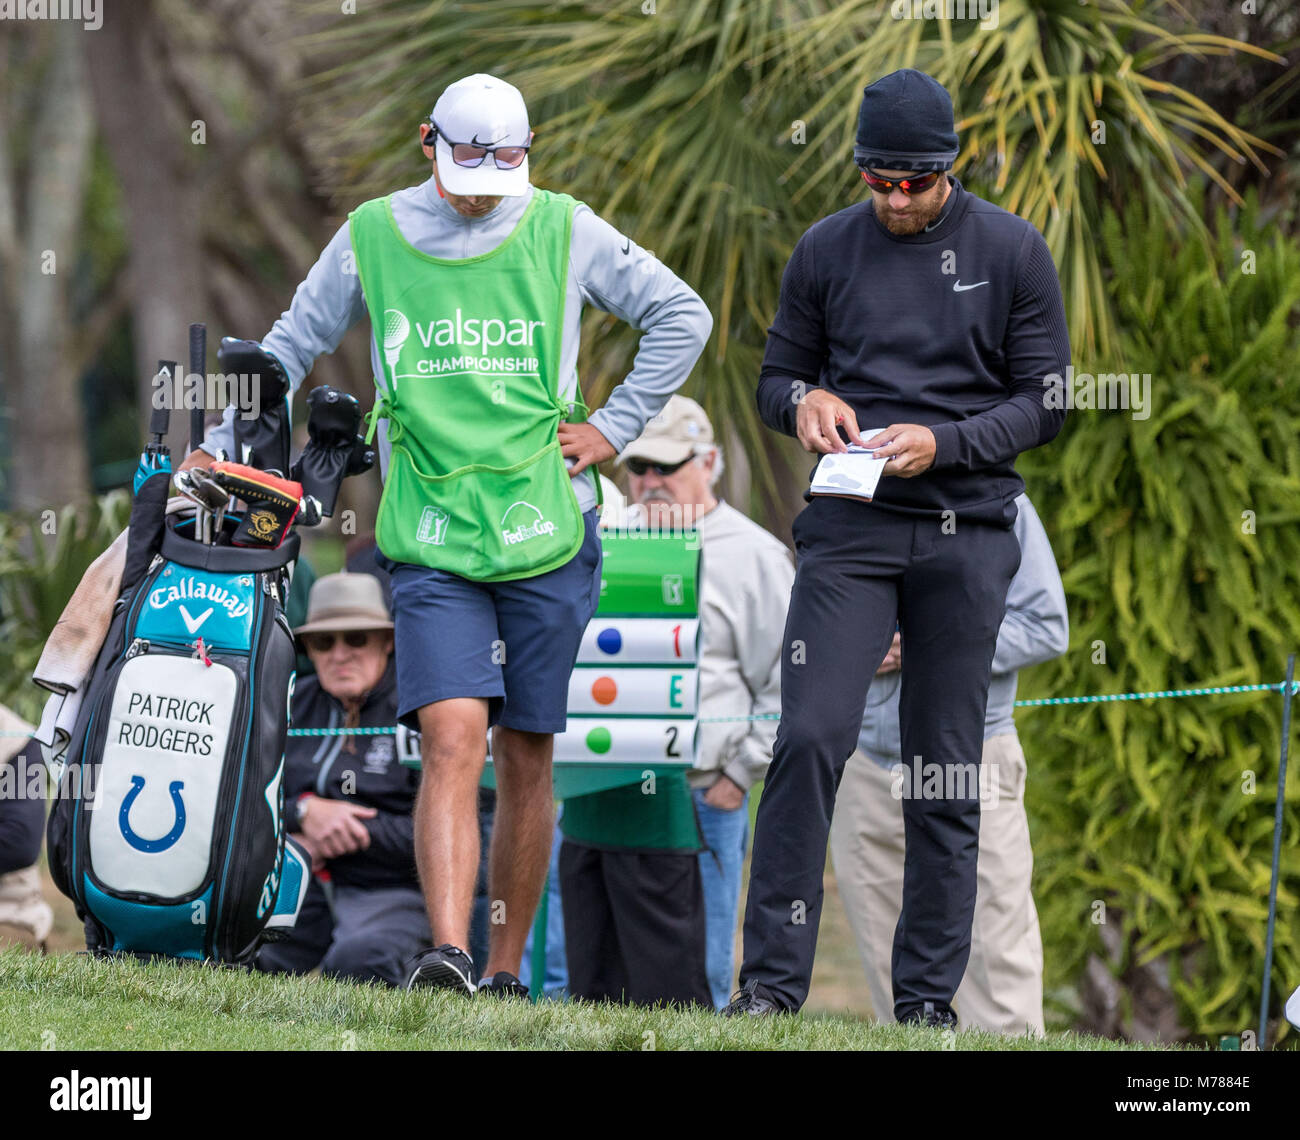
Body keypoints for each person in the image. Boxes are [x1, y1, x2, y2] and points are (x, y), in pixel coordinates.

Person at [182, 74, 712, 996]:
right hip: (427, 531)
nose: (481, 192)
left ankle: (504, 973)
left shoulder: (562, 225)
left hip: (547, 529)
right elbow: (288, 345)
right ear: (428, 142)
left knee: (526, 752)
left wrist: (615, 427)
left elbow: (682, 315)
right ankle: (450, 955)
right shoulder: (372, 236)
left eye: (502, 171)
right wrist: (222, 438)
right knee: (452, 734)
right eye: (468, 169)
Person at [727, 68, 1069, 1024]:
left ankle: (925, 1007)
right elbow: (777, 377)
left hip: (969, 533)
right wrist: (807, 402)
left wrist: (944, 445)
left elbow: (1048, 401)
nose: (895, 199)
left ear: (947, 169)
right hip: (852, 529)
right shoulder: (826, 248)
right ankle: (769, 991)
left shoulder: (1012, 250)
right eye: (877, 181)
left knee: (945, 768)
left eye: (913, 183)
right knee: (809, 736)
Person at [829, 492, 1067, 1034]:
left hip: (972, 759)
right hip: (866, 766)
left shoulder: (1001, 499)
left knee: (996, 973)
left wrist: (920, 645)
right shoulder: (847, 488)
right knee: (893, 990)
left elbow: (1046, 626)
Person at [618, 395, 793, 1007]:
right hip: (605, 786)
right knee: (588, 972)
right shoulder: (603, 540)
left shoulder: (755, 555)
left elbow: (785, 678)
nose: (651, 482)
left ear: (711, 461)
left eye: (668, 466)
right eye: (639, 466)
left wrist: (739, 773)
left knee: (704, 971)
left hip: (703, 792)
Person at [256, 573, 430, 987]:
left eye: (356, 638)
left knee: (359, 961)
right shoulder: (289, 702)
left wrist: (355, 831)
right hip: (299, 876)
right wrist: (303, 814)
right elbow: (242, 800)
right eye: (323, 642)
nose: (340, 654)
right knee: (240, 952)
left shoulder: (422, 709)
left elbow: (459, 828)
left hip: (395, 891)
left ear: (387, 641)